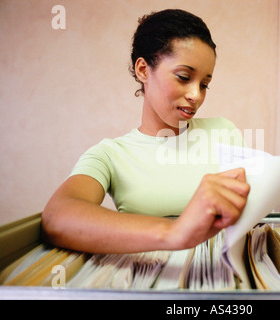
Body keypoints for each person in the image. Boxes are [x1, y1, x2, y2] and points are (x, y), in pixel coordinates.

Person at [41, 9, 250, 254]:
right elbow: (57, 217)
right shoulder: (110, 154)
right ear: (143, 70)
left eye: (204, 85)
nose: (196, 95)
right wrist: (175, 232)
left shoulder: (223, 132)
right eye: (184, 77)